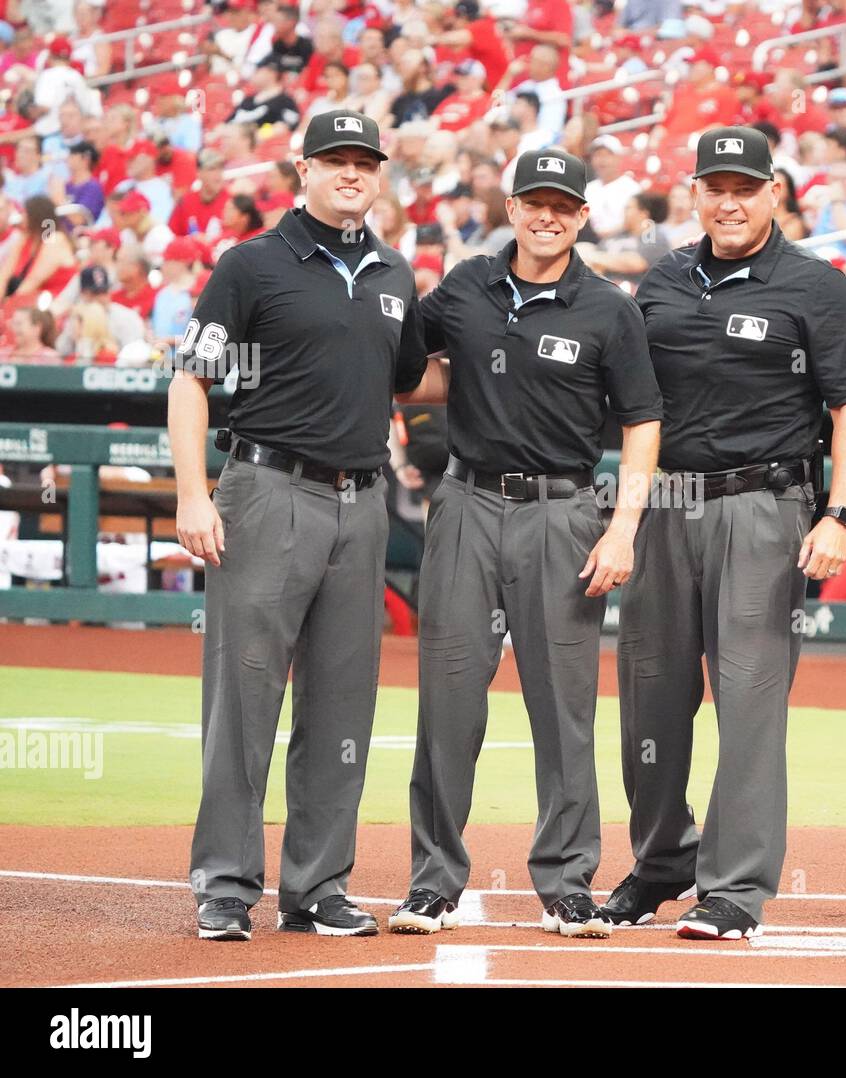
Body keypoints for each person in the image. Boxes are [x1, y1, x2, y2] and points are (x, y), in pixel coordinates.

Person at [606, 125, 846, 941]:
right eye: (715, 187)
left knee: (749, 701)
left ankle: (735, 888)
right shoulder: (658, 280)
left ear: (774, 195)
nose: (729, 201)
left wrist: (838, 512)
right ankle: (661, 862)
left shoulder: (814, 285)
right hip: (664, 506)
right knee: (649, 701)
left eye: (746, 187)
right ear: (694, 193)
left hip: (764, 506)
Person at [389, 147, 663, 940]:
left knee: (563, 709)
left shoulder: (610, 308)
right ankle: (432, 882)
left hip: (564, 513)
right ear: (511, 207)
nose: (546, 216)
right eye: (532, 201)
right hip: (468, 503)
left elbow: (645, 423)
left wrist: (623, 528)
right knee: (446, 701)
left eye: (562, 205)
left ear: (583, 216)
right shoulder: (468, 284)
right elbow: (404, 363)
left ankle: (568, 883)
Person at [170, 110, 429, 942]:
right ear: (303, 168)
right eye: (335, 160)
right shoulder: (252, 264)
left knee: (343, 706)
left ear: (379, 175)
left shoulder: (394, 274)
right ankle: (224, 884)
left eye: (364, 161)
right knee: (244, 698)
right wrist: (192, 494)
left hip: (362, 502)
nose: (351, 172)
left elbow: (409, 380)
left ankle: (317, 886)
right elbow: (190, 380)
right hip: (267, 488)